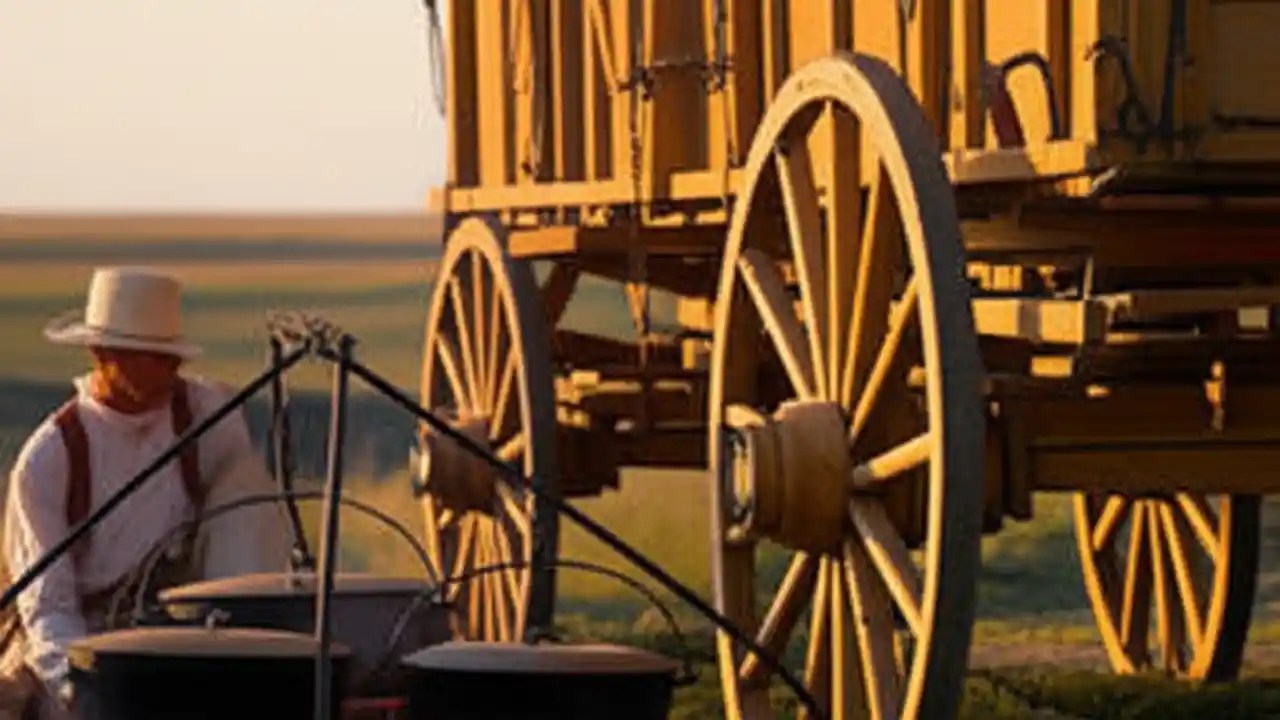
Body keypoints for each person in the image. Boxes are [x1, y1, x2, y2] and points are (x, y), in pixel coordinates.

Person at [0, 267, 290, 719]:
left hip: (181, 628)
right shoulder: (50, 459)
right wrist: (86, 691)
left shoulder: (207, 416)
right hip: (83, 643)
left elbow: (247, 527)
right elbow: (47, 608)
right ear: (102, 354)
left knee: (250, 485)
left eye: (170, 356)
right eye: (150, 357)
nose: (168, 370)